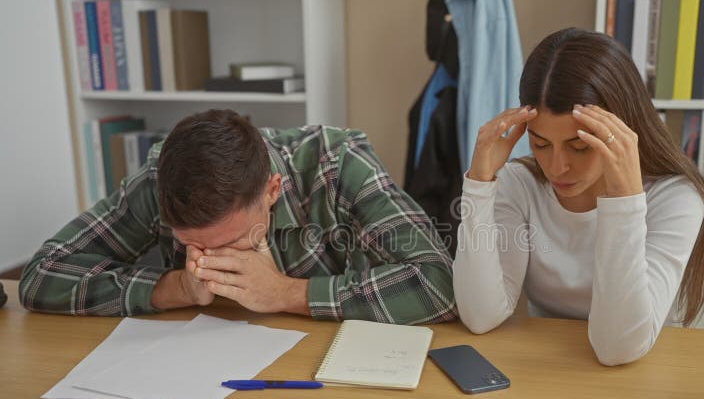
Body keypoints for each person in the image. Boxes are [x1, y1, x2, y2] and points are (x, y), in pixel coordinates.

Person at [20, 109, 457, 324]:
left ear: (272, 190)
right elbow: (41, 274)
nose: (214, 260)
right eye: (194, 245)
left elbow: (440, 283)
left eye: (231, 241)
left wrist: (286, 293)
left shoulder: (336, 164)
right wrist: (172, 288)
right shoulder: (160, 178)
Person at [453, 28, 704, 366]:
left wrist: (624, 201)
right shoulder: (520, 184)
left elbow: (617, 348)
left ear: (622, 129)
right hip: (549, 370)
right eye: (540, 144)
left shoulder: (676, 198)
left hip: (643, 379)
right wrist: (479, 183)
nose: (556, 167)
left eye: (579, 147)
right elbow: (480, 316)